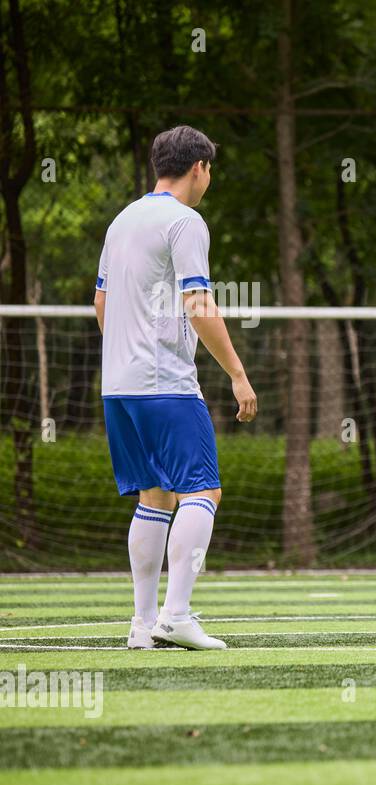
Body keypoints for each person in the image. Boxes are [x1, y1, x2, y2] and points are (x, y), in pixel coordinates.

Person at [95, 125, 257, 650]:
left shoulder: (122, 221)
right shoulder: (185, 222)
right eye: (211, 169)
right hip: (165, 383)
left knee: (155, 495)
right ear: (199, 168)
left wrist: (129, 349)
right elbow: (199, 303)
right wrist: (236, 373)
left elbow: (101, 306)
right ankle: (177, 615)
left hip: (118, 385)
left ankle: (142, 626)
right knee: (202, 489)